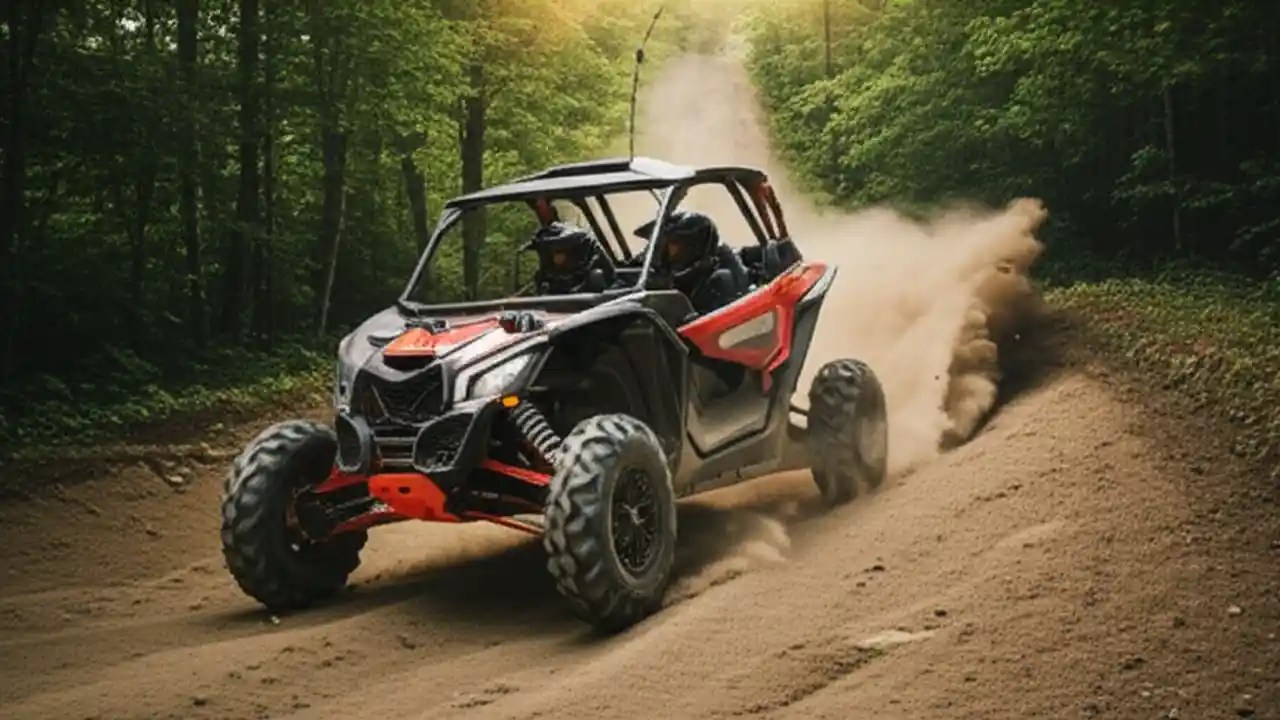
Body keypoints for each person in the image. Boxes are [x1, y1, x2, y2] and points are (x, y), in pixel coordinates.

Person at [632, 210, 750, 315]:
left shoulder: (718, 281)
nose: (667, 252)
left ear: (693, 248)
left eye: (674, 245)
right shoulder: (662, 273)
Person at [528, 221, 614, 295]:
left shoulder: (591, 277)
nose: (554, 259)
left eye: (558, 252)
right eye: (550, 254)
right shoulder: (546, 278)